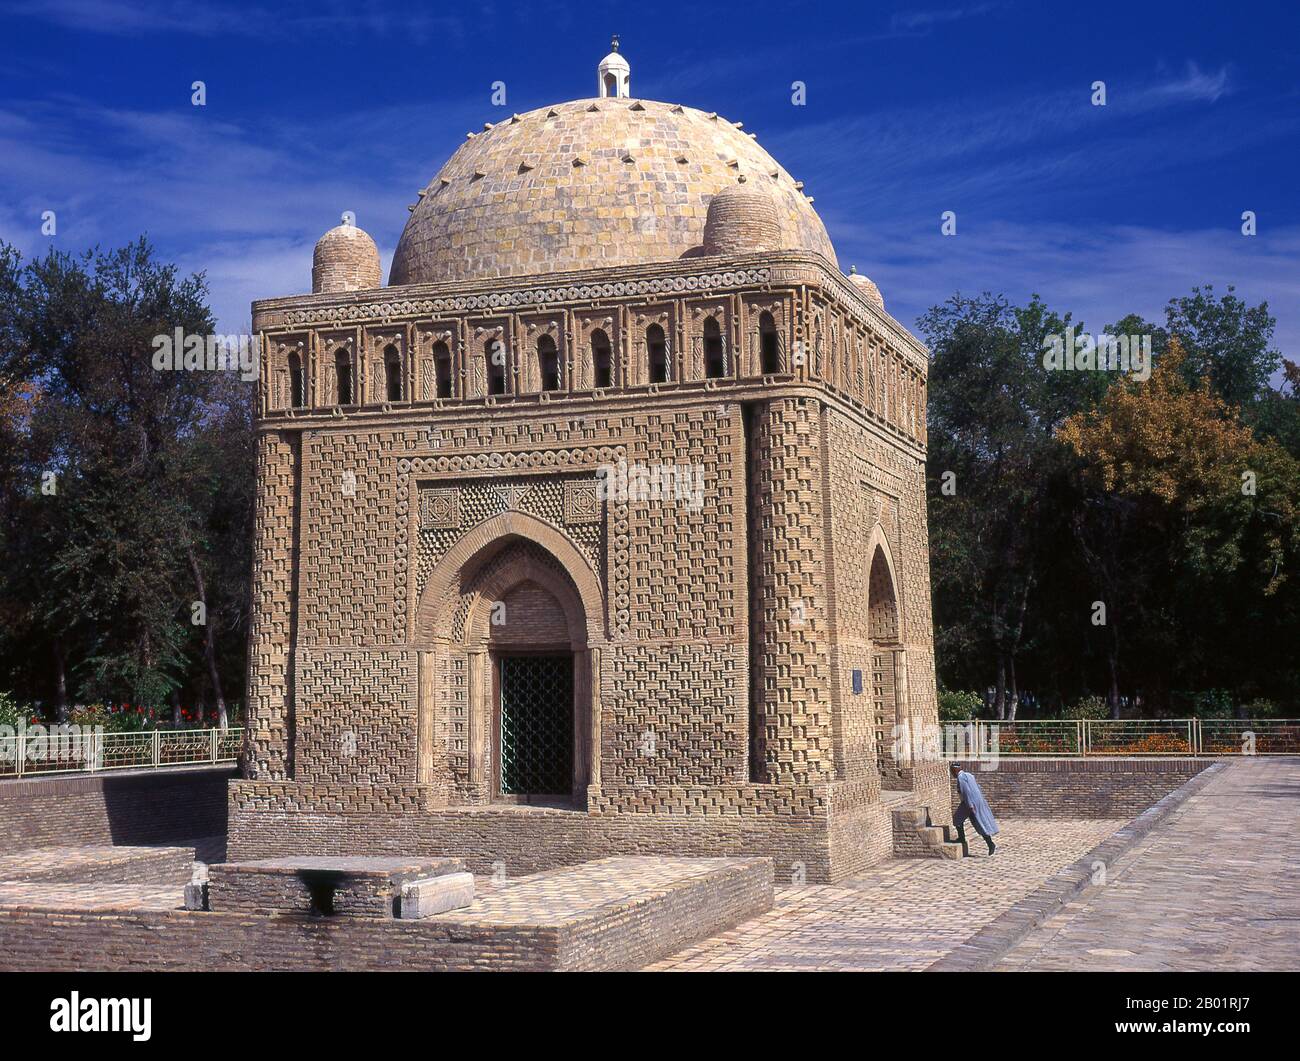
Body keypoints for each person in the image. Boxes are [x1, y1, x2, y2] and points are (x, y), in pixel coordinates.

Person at [949, 761, 998, 856]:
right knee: (978, 822)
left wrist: (970, 805)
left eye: (952, 771)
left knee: (957, 819)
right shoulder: (969, 775)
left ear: (955, 770)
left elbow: (966, 792)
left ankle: (961, 838)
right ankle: (990, 843)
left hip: (969, 803)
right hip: (976, 801)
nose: (952, 774)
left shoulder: (961, 778)